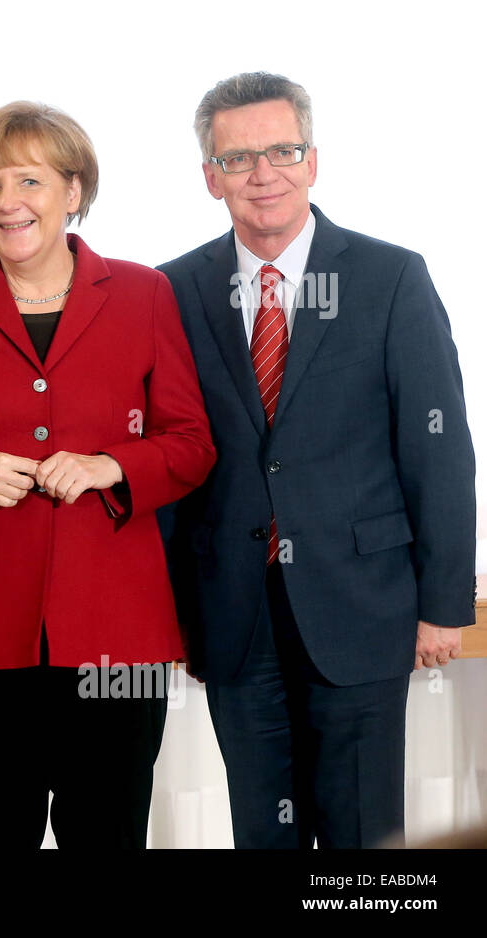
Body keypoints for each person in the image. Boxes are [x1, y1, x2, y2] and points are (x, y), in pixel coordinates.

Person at [0, 101, 215, 848]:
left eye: (28, 180)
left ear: (74, 189)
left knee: (108, 835)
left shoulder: (142, 294)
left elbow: (191, 443)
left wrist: (109, 465)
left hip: (113, 636)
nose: (7, 203)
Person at [158, 72, 475, 848]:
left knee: (362, 836)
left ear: (313, 160)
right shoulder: (171, 289)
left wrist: (443, 601)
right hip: (232, 614)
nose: (262, 173)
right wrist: (169, 615)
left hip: (361, 603)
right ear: (210, 177)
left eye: (281, 150)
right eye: (238, 159)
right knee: (259, 831)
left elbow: (439, 450)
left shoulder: (390, 277)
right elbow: (170, 460)